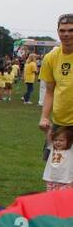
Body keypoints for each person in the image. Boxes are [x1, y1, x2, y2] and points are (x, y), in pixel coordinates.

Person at [39, 15, 73, 151]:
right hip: (60, 123)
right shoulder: (51, 58)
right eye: (62, 30)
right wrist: (44, 117)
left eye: (71, 30)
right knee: (55, 169)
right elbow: (49, 91)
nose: (66, 34)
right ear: (58, 32)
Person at [44, 126, 73, 191]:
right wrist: (49, 129)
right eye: (55, 140)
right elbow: (49, 137)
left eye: (61, 140)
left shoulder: (70, 150)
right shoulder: (52, 148)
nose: (58, 142)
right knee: (51, 198)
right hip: (51, 180)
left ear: (69, 141)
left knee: (64, 199)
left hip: (65, 181)